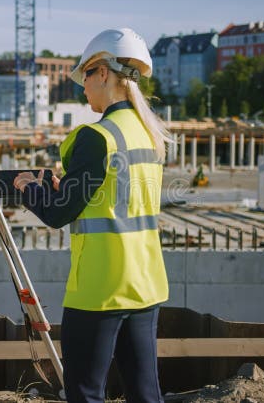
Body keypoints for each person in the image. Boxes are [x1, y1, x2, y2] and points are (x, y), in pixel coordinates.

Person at [14, 28, 170, 403]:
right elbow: (110, 198)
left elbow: (58, 213)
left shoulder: (97, 137)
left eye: (85, 74)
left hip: (100, 289)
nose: (82, 85)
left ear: (103, 72)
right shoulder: (150, 135)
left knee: (85, 393)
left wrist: (26, 188)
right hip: (144, 283)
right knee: (146, 394)